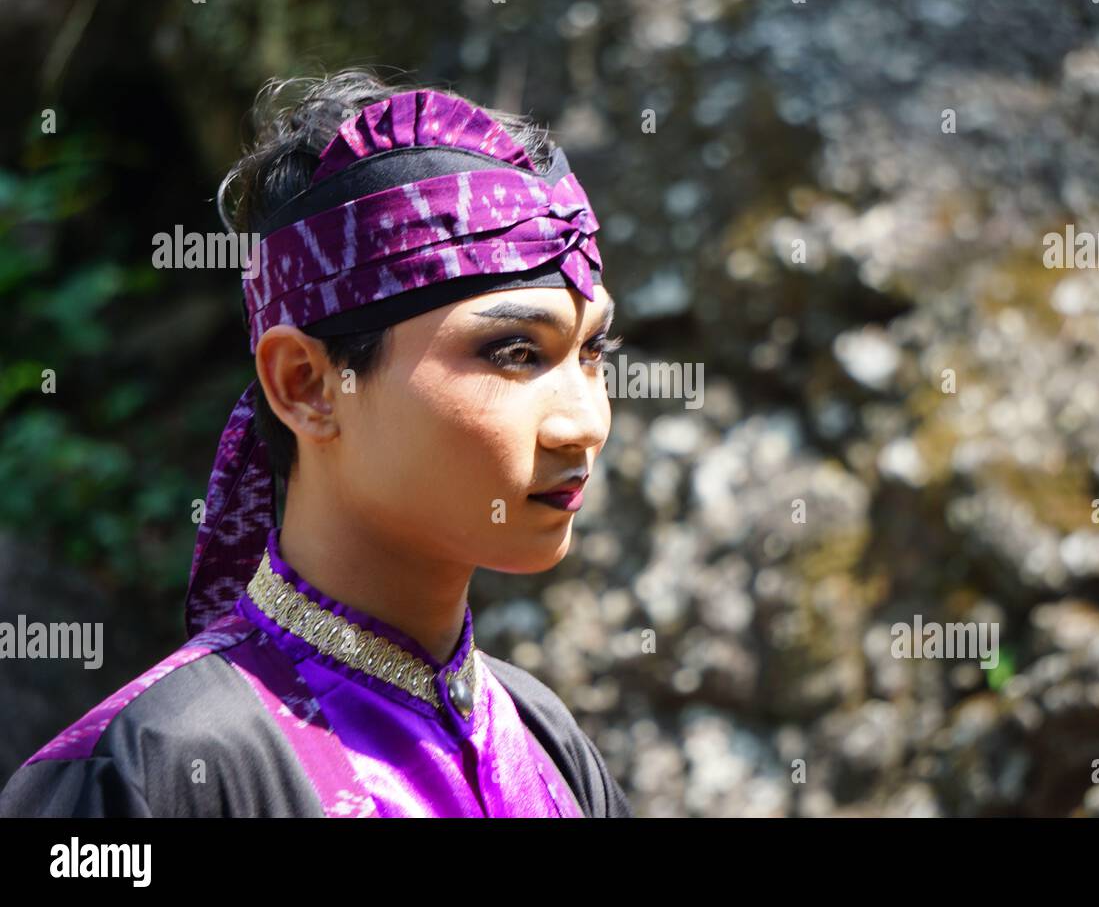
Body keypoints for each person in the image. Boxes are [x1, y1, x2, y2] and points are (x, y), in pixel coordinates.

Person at [0, 70, 633, 817]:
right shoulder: (153, 771)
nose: (584, 421)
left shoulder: (544, 742)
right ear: (306, 383)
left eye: (593, 352)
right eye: (515, 353)